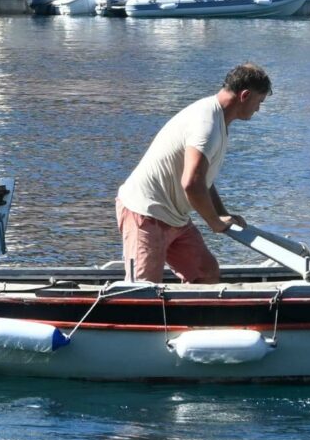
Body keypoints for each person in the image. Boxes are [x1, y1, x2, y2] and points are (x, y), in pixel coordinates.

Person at [115, 63, 272, 285]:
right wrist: (215, 223)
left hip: (174, 217)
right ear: (245, 95)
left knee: (206, 272)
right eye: (259, 102)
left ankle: (191, 319)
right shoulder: (206, 123)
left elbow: (203, 179)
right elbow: (191, 183)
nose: (258, 109)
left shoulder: (219, 120)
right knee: (143, 290)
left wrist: (222, 213)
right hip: (145, 212)